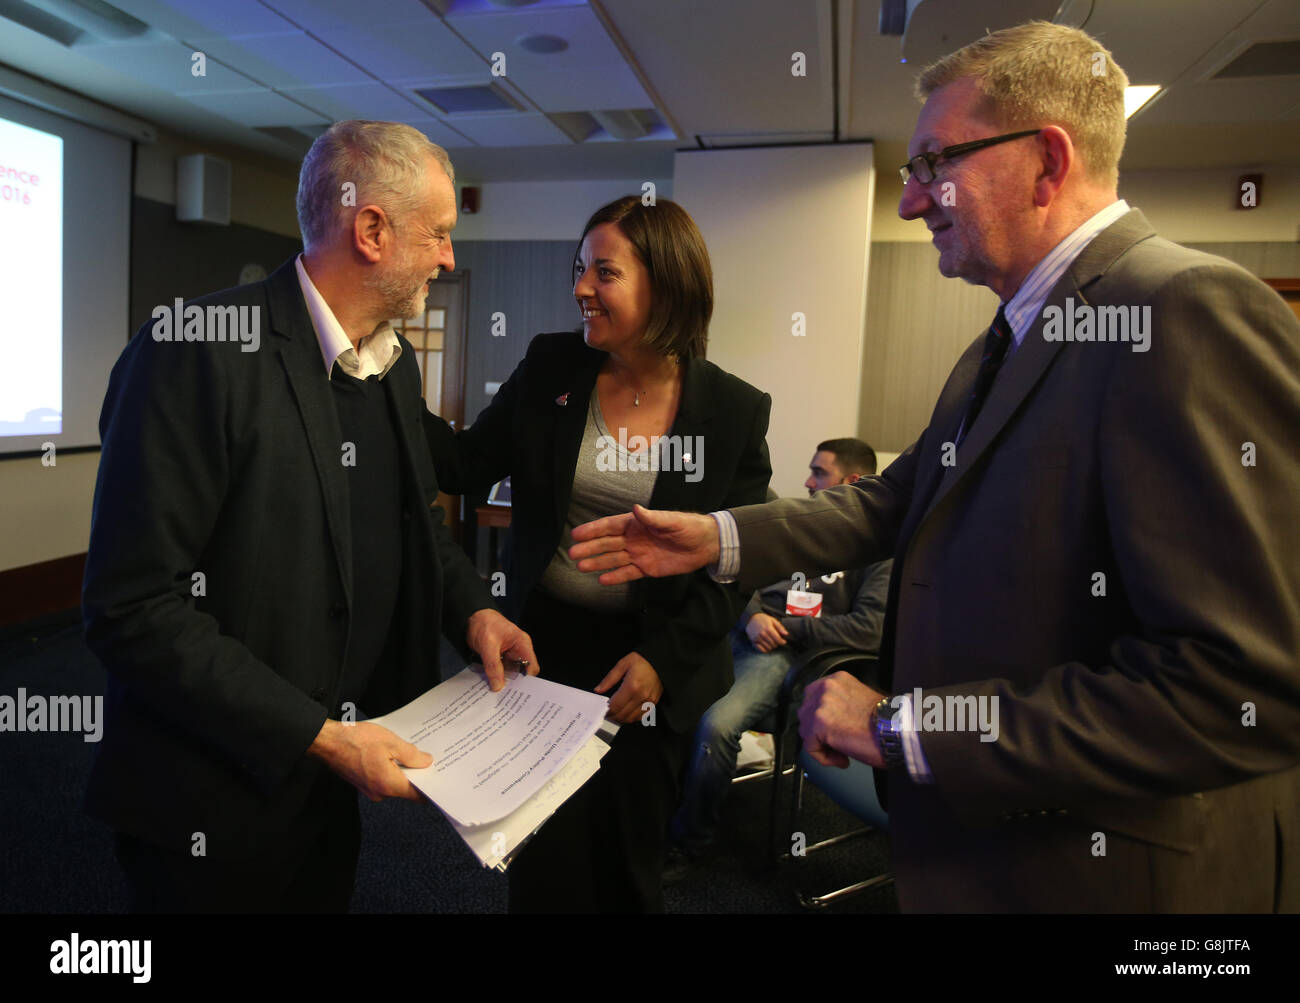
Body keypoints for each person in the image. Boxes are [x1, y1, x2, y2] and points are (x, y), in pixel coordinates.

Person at [569, 22, 1300, 912]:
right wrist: (715, 536)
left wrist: (903, 726)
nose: (913, 202)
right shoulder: (1000, 340)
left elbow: (1242, 686)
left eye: (931, 165)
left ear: (1048, 160)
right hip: (987, 851)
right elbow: (895, 499)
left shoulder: (1185, 310)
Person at [82, 120, 537, 913]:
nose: (448, 256)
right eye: (437, 234)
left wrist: (473, 611)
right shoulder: (194, 353)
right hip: (210, 797)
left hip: (327, 781)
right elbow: (134, 610)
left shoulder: (393, 365)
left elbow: (414, 522)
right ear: (371, 229)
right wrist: (322, 736)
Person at [423, 195, 772, 912]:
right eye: (579, 268)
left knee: (625, 864)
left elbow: (735, 564)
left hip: (646, 662)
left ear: (667, 284)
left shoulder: (732, 410)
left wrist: (663, 666)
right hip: (542, 646)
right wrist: (382, 376)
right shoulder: (553, 364)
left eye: (603, 271)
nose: (581, 286)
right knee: (541, 850)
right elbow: (462, 464)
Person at [666, 438, 891, 877]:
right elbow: (738, 576)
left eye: (819, 473)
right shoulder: (802, 524)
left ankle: (691, 844)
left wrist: (785, 627)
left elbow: (869, 630)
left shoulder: (880, 553)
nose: (807, 482)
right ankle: (650, 814)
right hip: (739, 630)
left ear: (854, 482)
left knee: (716, 725)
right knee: (657, 696)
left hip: (790, 655)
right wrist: (751, 617)